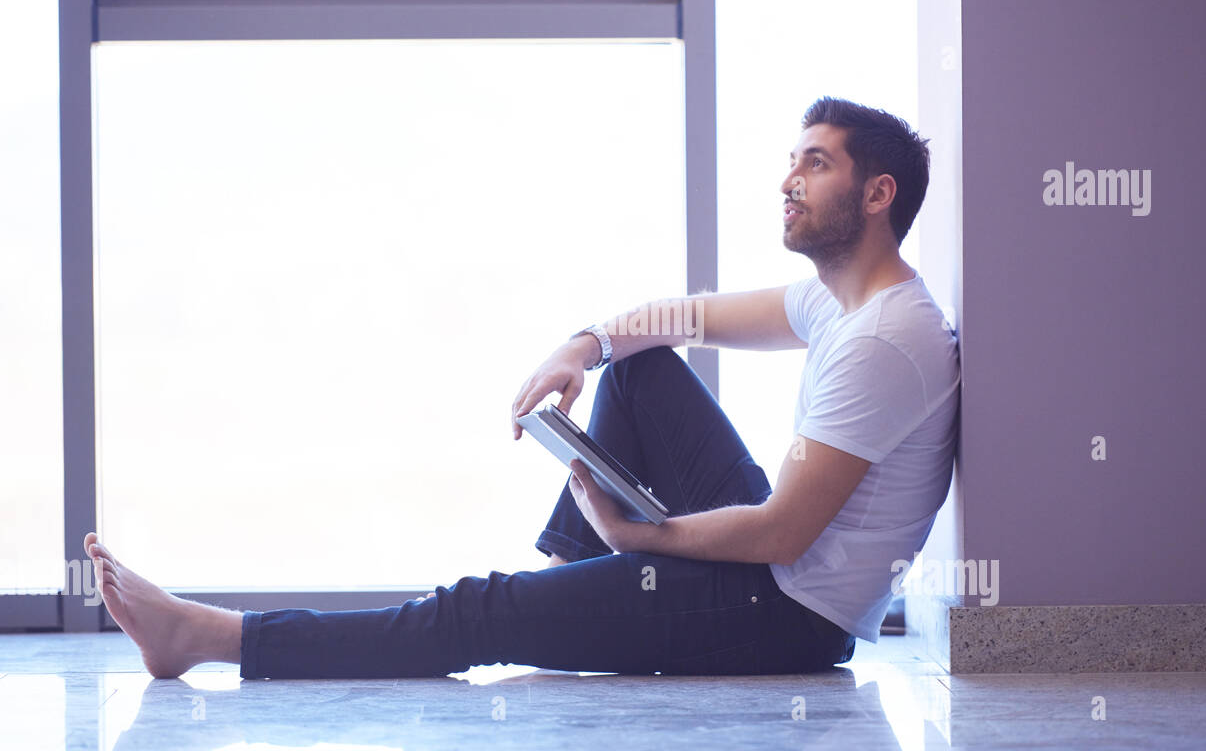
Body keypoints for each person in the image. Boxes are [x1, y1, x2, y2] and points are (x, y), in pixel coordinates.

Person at [84, 96, 960, 680]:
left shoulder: (887, 339)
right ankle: (574, 594)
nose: (787, 181)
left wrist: (639, 532)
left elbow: (782, 531)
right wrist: (581, 346)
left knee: (480, 611)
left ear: (877, 193)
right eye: (792, 162)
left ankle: (206, 635)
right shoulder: (843, 300)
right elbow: (682, 318)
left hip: (789, 614)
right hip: (786, 569)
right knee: (642, 363)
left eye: (814, 164)